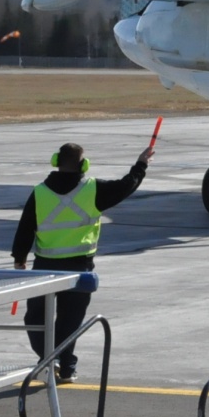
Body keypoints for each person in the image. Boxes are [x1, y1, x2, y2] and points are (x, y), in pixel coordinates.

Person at [12, 139, 154, 381]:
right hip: (79, 266)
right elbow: (126, 186)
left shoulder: (39, 192)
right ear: (84, 165)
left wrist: (19, 258)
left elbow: (25, 227)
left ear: (56, 162)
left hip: (45, 265)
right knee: (70, 321)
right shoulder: (92, 189)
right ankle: (64, 365)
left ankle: (49, 359)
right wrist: (141, 164)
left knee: (35, 318)